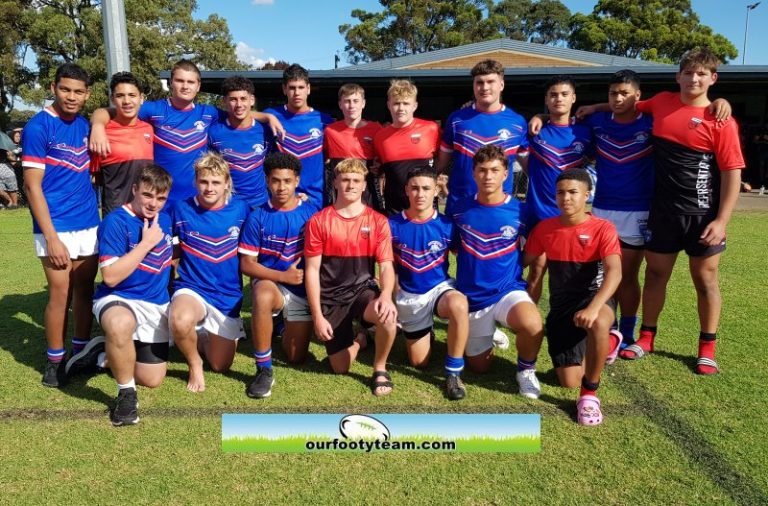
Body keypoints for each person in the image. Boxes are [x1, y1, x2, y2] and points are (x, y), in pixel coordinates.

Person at [619, 48, 745, 374]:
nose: (694, 78)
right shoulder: (661, 101)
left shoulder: (721, 120)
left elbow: (732, 172)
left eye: (702, 73)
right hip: (662, 212)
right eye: (688, 73)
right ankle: (646, 339)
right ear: (678, 76)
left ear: (713, 79)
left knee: (705, 281)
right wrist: (592, 106)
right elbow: (628, 104)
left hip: (703, 216)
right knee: (656, 275)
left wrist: (722, 220)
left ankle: (707, 348)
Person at [90, 59, 282, 204]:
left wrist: (268, 117)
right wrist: (98, 125)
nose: (185, 86)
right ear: (171, 83)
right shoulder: (153, 110)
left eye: (190, 82)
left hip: (196, 201)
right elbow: (117, 109)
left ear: (198, 86)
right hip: (160, 198)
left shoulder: (208, 113)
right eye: (180, 81)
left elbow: (239, 112)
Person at [22, 63, 100, 388]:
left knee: (85, 290)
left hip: (88, 222)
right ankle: (55, 360)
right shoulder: (38, 127)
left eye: (78, 91)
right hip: (55, 227)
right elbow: (31, 186)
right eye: (65, 89)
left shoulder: (84, 125)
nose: (71, 96)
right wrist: (52, 238)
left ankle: (79, 354)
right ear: (53, 87)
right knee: (60, 294)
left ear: (87, 94)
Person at [524, 168, 623, 426]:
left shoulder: (603, 228)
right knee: (569, 381)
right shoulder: (544, 229)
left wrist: (594, 307)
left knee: (599, 322)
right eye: (560, 193)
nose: (566, 198)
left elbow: (615, 273)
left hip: (594, 299)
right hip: (562, 308)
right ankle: (608, 343)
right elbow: (521, 264)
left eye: (572, 192)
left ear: (587, 195)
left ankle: (589, 396)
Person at [451, 145, 544, 398]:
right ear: (473, 173)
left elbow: (536, 248)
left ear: (506, 174)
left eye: (494, 170)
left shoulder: (521, 211)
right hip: (472, 298)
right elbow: (454, 248)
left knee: (532, 324)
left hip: (507, 290)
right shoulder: (458, 209)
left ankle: (525, 371)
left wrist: (517, 267)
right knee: (480, 368)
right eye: (482, 170)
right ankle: (490, 332)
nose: (488, 176)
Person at [85, 165, 174, 426]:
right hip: (118, 299)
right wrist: (146, 244)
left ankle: (105, 351)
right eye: (147, 195)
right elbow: (111, 276)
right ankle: (126, 394)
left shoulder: (166, 219)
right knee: (120, 323)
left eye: (160, 198)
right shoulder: (115, 222)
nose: (153, 203)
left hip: (155, 304)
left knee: (153, 379)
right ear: (134, 189)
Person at [304, 158, 398, 396]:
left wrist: (386, 296)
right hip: (331, 297)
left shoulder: (378, 221)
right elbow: (312, 271)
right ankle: (360, 338)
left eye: (357, 180)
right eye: (345, 179)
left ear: (365, 185)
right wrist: (317, 317)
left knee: (387, 316)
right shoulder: (318, 221)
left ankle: (379, 368)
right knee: (340, 367)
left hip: (361, 291)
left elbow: (386, 266)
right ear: (335, 182)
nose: (351, 185)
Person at [239, 152, 318, 398]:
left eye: (287, 181)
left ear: (297, 181)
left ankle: (282, 324)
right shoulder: (257, 216)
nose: (281, 187)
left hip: (300, 290)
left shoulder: (312, 214)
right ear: (266, 181)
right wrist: (282, 277)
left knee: (296, 357)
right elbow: (247, 264)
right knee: (261, 295)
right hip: (272, 282)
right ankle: (263, 369)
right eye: (275, 180)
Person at [168, 152, 249, 392]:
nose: (209, 188)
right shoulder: (180, 209)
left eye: (215, 182)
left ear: (227, 183)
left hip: (227, 295)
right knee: (180, 320)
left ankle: (203, 335)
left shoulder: (242, 210)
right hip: (192, 288)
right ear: (195, 182)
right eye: (204, 181)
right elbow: (169, 251)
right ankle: (194, 363)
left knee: (220, 364)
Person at [389, 168, 469, 400]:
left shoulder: (447, 225)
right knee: (418, 362)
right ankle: (426, 332)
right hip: (409, 296)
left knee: (458, 304)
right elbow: (388, 266)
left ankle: (453, 373)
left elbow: (464, 257)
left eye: (426, 188)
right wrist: (392, 296)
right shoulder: (391, 225)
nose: (420, 194)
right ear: (406, 190)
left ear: (436, 191)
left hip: (438, 290)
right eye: (414, 188)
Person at [436, 59, 529, 216]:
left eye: (490, 82)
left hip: (500, 209)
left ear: (501, 85)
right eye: (479, 82)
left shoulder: (518, 123)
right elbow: (440, 164)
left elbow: (530, 168)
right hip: (460, 207)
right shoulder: (457, 119)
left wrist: (542, 116)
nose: (484, 87)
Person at [524, 75, 593, 231]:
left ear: (573, 98)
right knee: (534, 256)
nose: (559, 99)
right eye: (553, 95)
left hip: (572, 215)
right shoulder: (533, 131)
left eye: (564, 94)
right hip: (537, 215)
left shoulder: (586, 131)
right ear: (546, 99)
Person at [265, 64, 334, 206]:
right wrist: (266, 117)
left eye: (301, 87)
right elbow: (243, 115)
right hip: (283, 199)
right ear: (284, 89)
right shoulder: (272, 116)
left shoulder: (325, 121)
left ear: (308, 89)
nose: (296, 93)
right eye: (292, 88)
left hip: (316, 201)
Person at [90, 72, 154, 216]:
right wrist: (98, 124)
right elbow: (94, 179)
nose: (126, 101)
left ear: (141, 98)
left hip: (145, 215)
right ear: (112, 99)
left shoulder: (149, 129)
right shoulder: (101, 132)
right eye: (120, 96)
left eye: (132, 95)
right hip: (116, 217)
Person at [373, 79, 440, 215]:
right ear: (389, 105)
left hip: (426, 209)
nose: (401, 108)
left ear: (414, 106)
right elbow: (379, 169)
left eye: (406, 103)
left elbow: (444, 159)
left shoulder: (431, 129)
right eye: (396, 103)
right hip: (395, 210)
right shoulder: (380, 137)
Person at [209, 76, 272, 208]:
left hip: (261, 204)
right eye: (233, 99)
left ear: (252, 100)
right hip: (229, 205)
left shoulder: (266, 130)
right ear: (224, 101)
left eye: (243, 98)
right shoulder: (214, 133)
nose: (239, 105)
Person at [324, 83, 384, 210]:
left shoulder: (376, 129)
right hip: (340, 192)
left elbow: (383, 159)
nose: (351, 106)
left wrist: (380, 166)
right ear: (340, 104)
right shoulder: (330, 131)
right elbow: (323, 160)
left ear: (363, 103)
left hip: (368, 193)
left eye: (356, 101)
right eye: (347, 101)